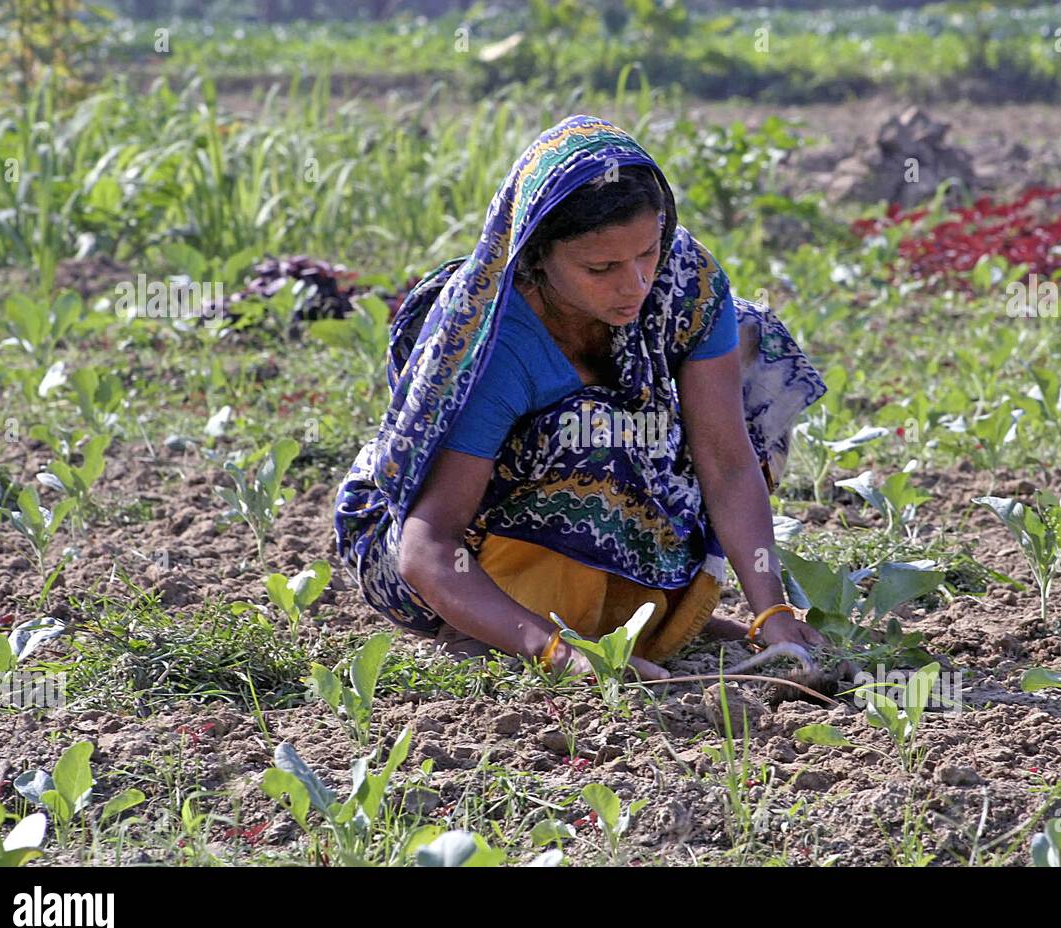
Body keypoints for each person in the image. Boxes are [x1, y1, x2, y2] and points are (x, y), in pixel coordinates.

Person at [334, 114, 829, 681]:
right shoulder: (498, 344)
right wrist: (560, 654)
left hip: (563, 498)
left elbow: (728, 463)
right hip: (423, 550)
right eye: (601, 268)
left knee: (744, 373)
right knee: (595, 430)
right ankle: (501, 625)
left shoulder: (685, 283)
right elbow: (427, 547)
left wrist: (771, 607)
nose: (635, 286)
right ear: (537, 256)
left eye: (647, 254)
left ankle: (642, 619)